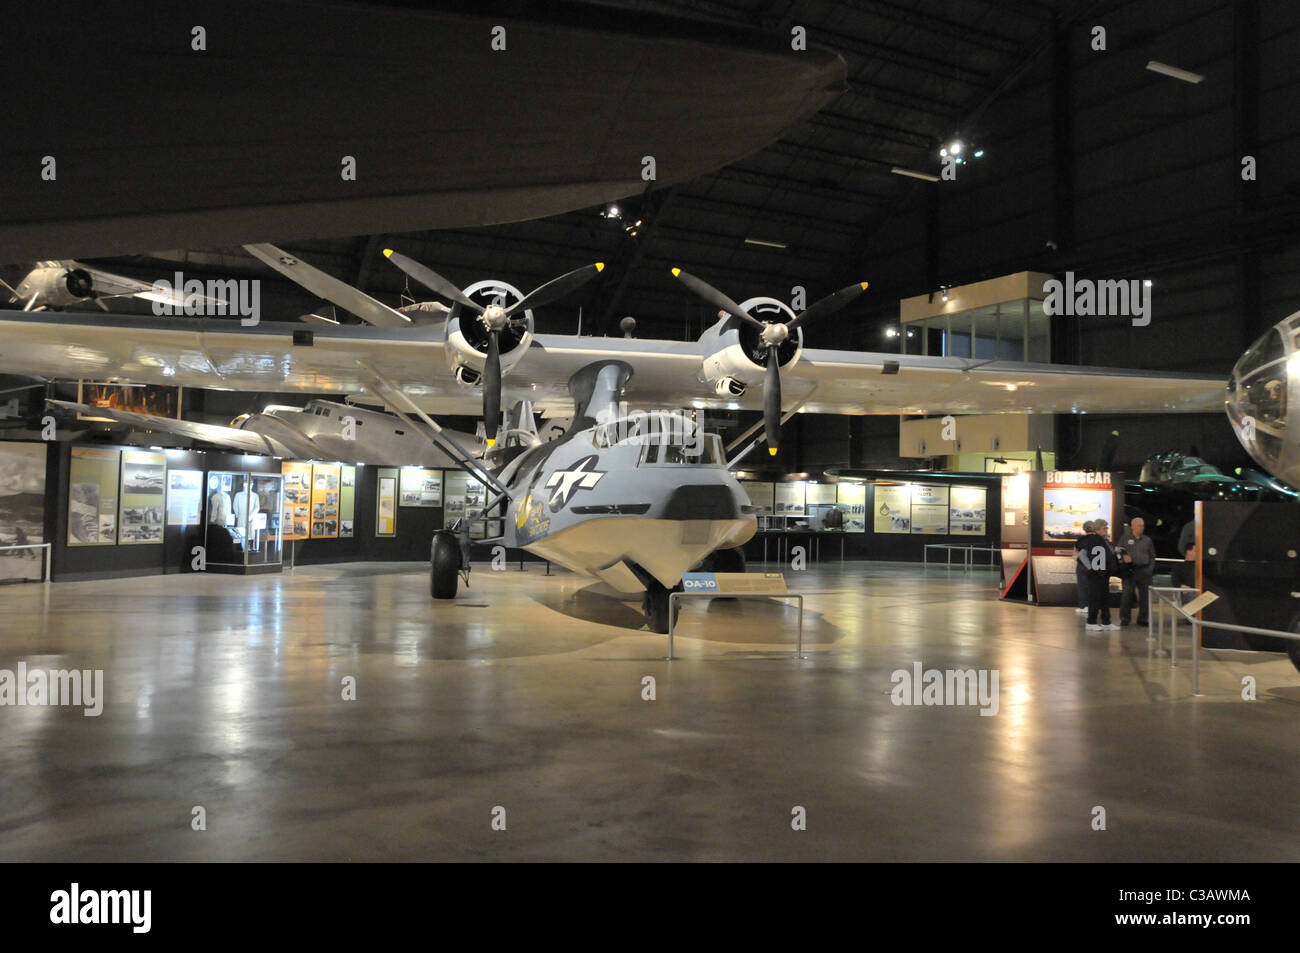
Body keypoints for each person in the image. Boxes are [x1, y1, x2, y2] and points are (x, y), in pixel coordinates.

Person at [1077, 518, 1119, 631]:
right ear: (1098, 529)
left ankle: (1106, 622)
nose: (1107, 529)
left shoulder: (1103, 540)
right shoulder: (1093, 540)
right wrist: (1091, 569)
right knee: (1095, 598)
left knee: (1105, 598)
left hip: (1103, 573)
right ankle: (1091, 622)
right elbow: (1081, 555)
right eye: (1104, 528)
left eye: (1106, 527)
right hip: (1097, 574)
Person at [1117, 517, 1157, 626]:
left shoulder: (1147, 540)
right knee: (1127, 596)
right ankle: (1125, 618)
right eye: (1139, 525)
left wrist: (1150, 569)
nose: (1141, 528)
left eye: (1143, 525)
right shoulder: (1125, 539)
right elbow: (1118, 553)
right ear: (1133, 526)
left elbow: (1152, 556)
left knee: (1145, 597)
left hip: (1144, 571)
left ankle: (1143, 619)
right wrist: (1123, 564)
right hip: (1130, 571)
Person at [1073, 520, 1095, 614]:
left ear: (1084, 529)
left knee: (1082, 586)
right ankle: (1091, 606)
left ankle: (1083, 606)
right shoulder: (1097, 539)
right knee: (1092, 587)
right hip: (1093, 565)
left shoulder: (1080, 539)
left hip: (1081, 565)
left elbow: (1075, 553)